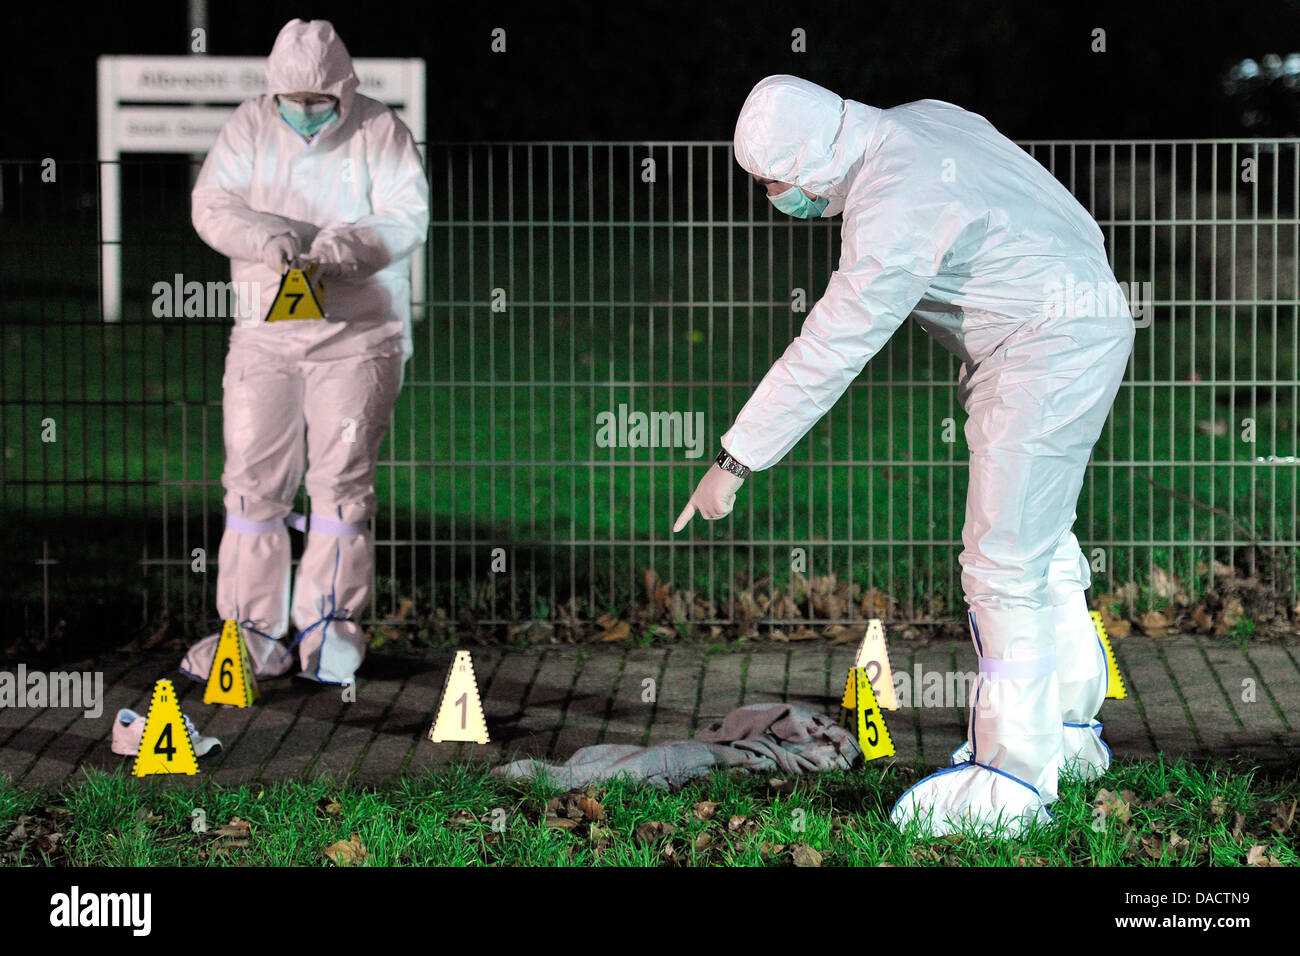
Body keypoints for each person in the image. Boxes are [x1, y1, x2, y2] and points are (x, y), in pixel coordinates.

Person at [674, 75, 1135, 837]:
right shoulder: (927, 119)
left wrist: (733, 461)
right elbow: (1048, 205)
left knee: (1000, 567)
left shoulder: (893, 204)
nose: (775, 199)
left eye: (774, 183)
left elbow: (831, 345)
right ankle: (1067, 733)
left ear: (811, 161)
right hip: (1081, 316)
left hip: (1041, 348)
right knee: (1040, 544)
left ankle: (1011, 781)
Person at [181, 18, 429, 686]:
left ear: (343, 92)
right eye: (293, 100)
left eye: (319, 102)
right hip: (266, 336)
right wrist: (269, 239)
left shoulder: (381, 131)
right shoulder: (248, 126)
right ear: (273, 93)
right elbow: (212, 204)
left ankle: (329, 628)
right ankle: (250, 632)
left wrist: (339, 251)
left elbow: (408, 215)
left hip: (359, 338)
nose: (305, 114)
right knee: (252, 482)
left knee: (341, 485)